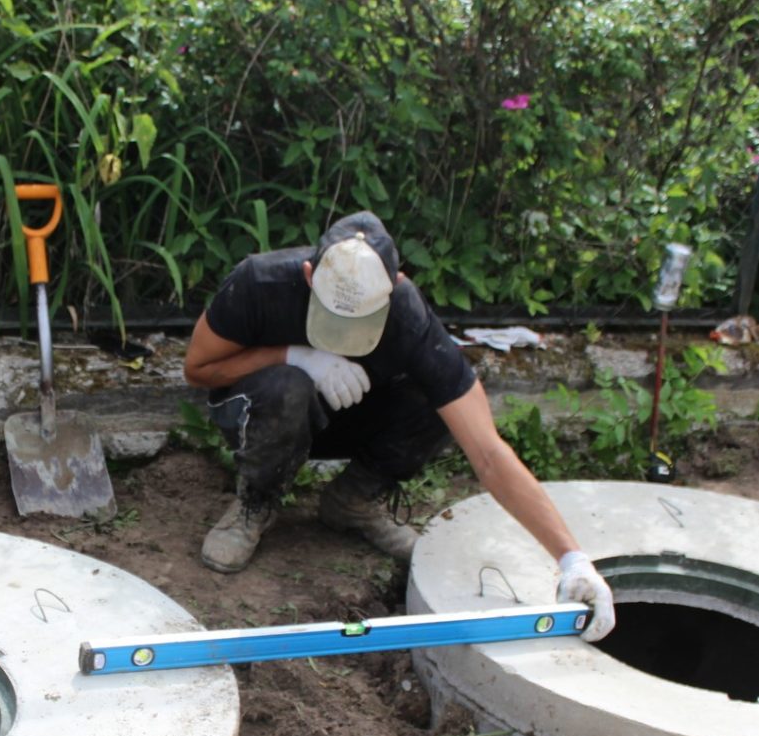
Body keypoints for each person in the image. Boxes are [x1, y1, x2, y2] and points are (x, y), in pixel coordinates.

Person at [182, 210, 615, 641]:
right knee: (286, 387)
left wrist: (572, 559)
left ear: (395, 284)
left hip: (350, 417)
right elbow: (198, 370)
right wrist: (293, 356)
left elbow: (487, 451)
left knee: (439, 393)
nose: (343, 335)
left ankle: (352, 500)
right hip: (264, 415)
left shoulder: (408, 316)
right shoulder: (259, 283)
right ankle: (256, 502)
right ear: (310, 275)